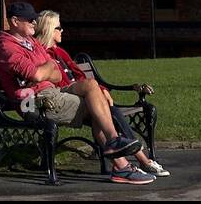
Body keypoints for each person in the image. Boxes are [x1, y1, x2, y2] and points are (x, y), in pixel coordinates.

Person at [0, 1, 151, 184]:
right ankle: (121, 165)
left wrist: (47, 70)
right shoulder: (7, 48)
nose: (34, 23)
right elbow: (37, 74)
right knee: (97, 108)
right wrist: (47, 68)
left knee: (91, 85)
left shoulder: (32, 43)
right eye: (30, 20)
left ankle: (115, 144)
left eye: (35, 20)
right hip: (35, 102)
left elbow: (57, 75)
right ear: (14, 21)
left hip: (52, 91)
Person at [35, 10, 170, 179]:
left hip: (84, 95)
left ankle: (131, 163)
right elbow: (55, 84)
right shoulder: (41, 53)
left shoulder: (60, 52)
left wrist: (103, 91)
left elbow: (82, 76)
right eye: (59, 27)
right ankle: (143, 160)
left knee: (109, 112)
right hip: (70, 98)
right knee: (111, 113)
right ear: (48, 29)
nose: (63, 31)